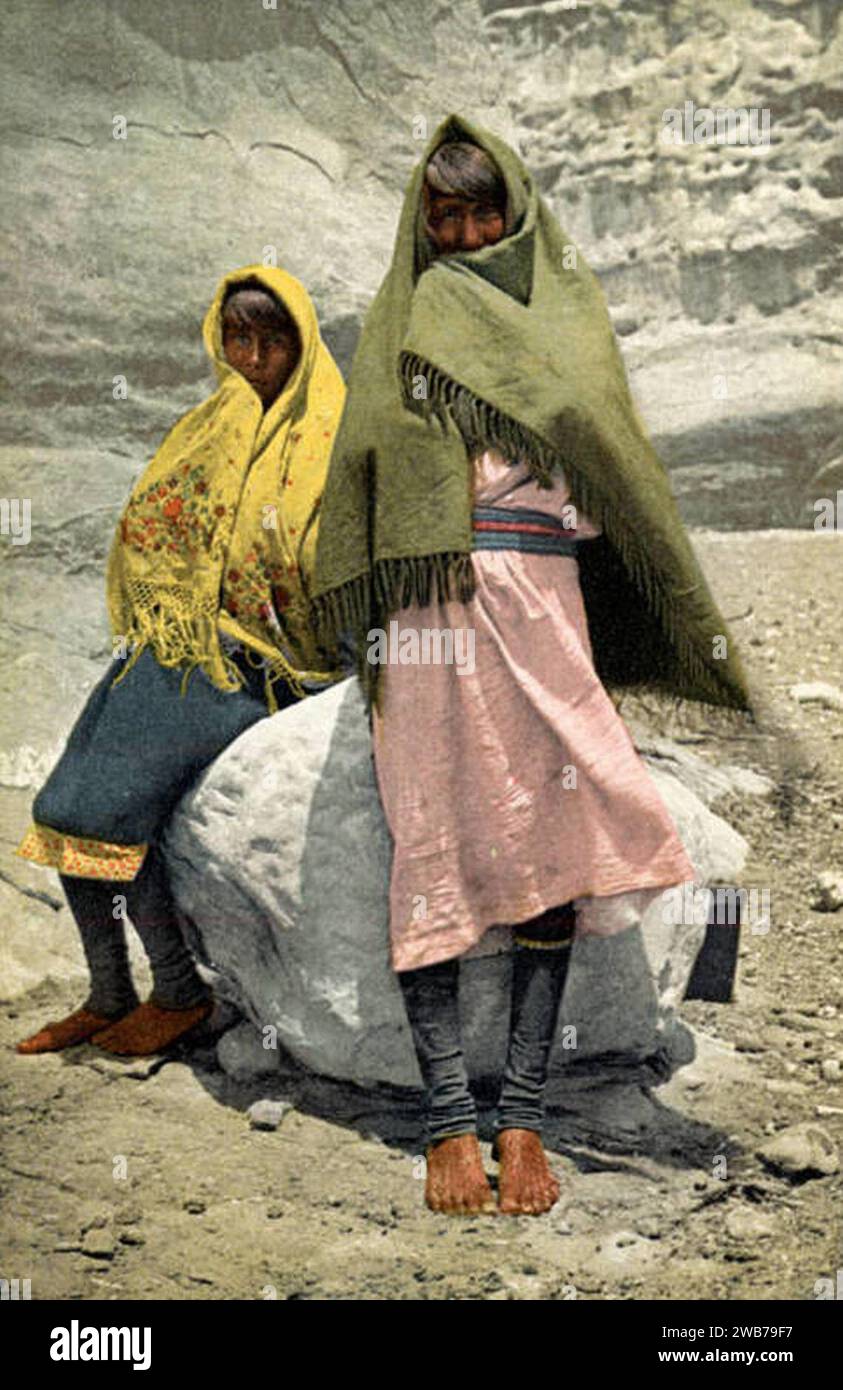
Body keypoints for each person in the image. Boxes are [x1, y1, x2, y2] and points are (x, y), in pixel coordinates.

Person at [310, 116, 754, 1217]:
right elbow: (359, 476)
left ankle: (528, 1116)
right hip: (427, 618)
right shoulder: (397, 323)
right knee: (436, 836)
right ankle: (450, 1120)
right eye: (442, 217)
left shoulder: (564, 313)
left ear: (514, 213)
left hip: (543, 602)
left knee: (552, 839)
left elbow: (613, 470)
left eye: (481, 213)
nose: (462, 236)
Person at [15, 264, 346, 1057]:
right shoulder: (206, 427)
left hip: (262, 666)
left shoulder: (328, 439)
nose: (253, 356)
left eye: (272, 340)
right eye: (238, 337)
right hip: (179, 641)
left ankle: (177, 993)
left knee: (105, 814)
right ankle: (106, 993)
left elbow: (330, 574)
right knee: (59, 809)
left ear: (300, 348)